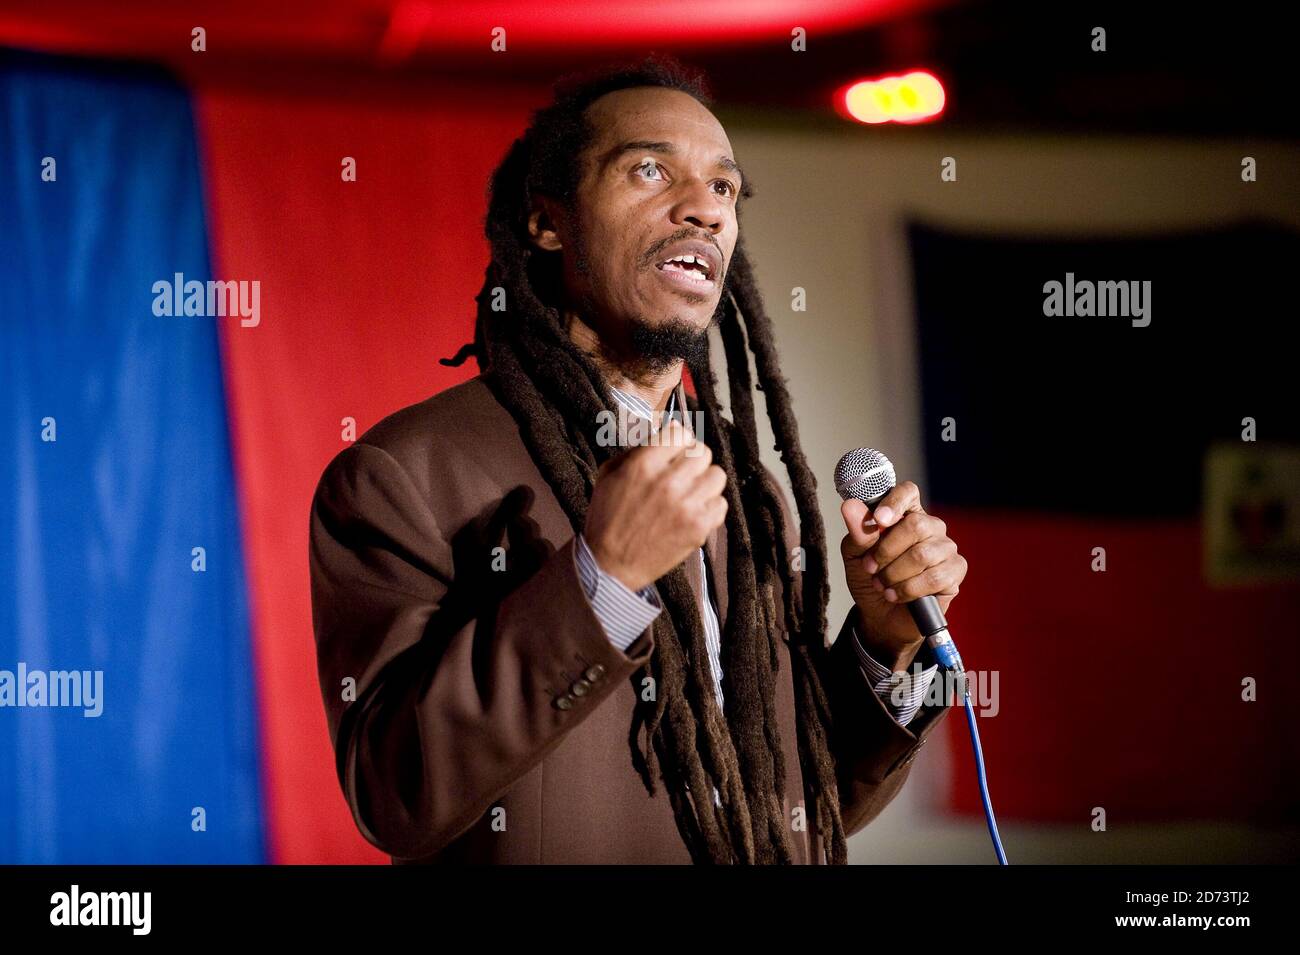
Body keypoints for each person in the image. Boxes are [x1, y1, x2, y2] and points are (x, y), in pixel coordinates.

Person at [308, 57, 968, 864]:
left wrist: (882, 638)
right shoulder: (403, 475)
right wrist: (601, 581)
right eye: (650, 170)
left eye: (724, 189)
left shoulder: (748, 493)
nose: (703, 209)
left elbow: (800, 801)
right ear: (548, 223)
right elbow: (395, 792)